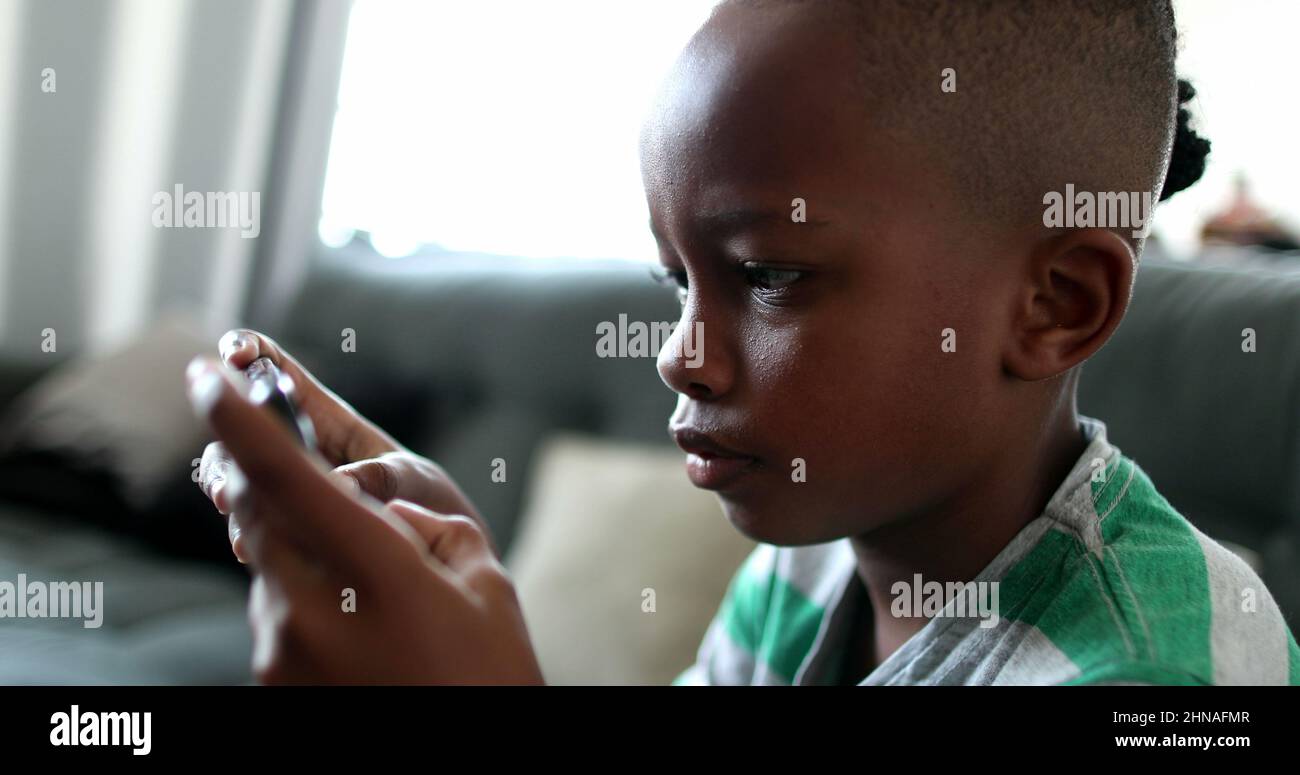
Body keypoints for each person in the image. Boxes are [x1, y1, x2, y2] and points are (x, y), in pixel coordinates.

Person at [187, 0, 1299, 685]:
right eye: (677, 282)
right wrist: (470, 606)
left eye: (770, 274)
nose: (680, 355)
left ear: (1054, 303)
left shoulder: (1157, 677)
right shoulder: (813, 560)